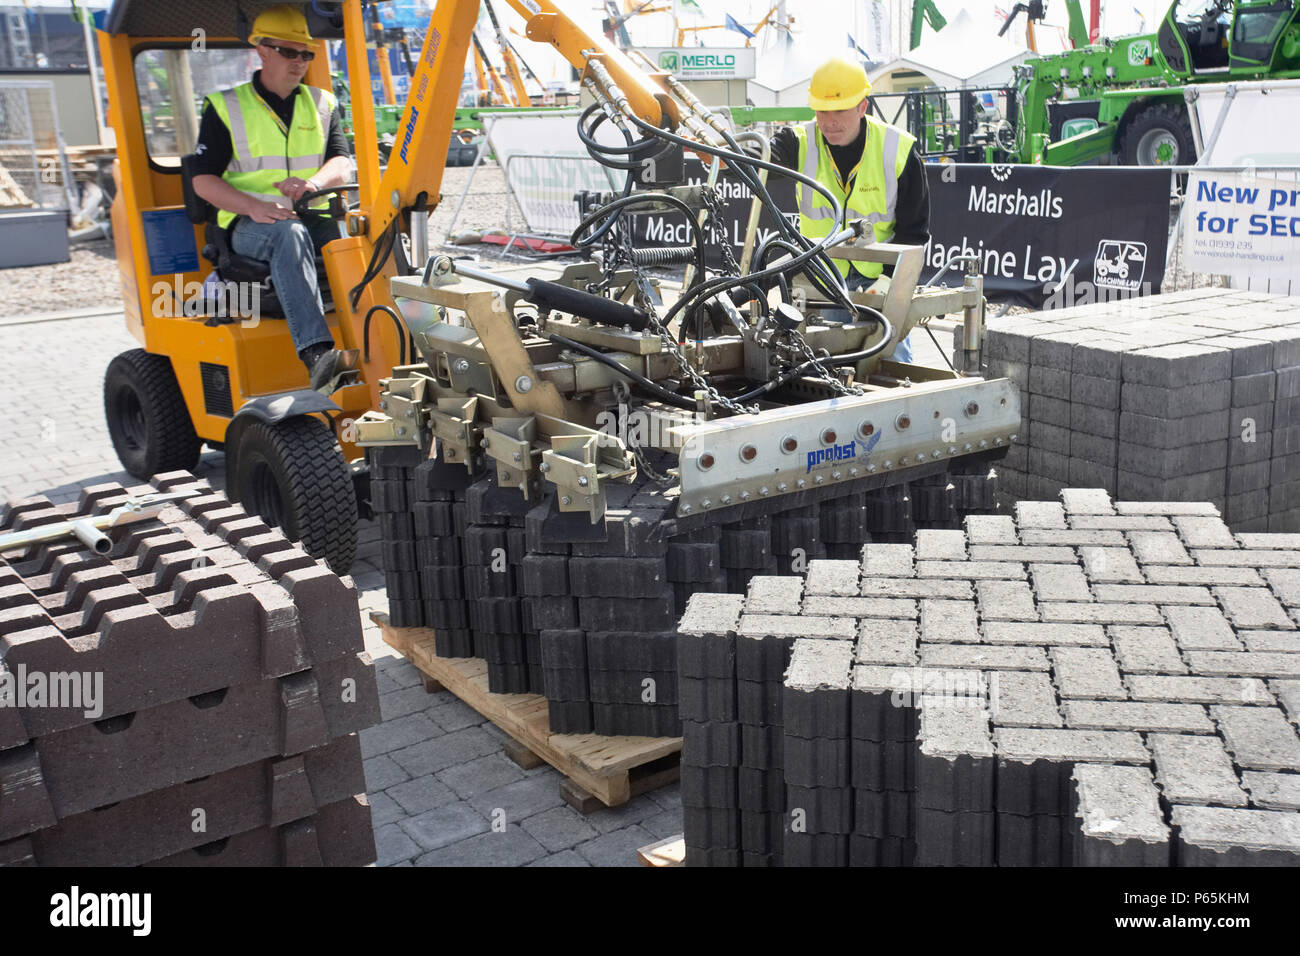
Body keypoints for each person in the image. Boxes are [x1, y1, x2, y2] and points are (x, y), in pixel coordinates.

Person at [190, 4, 354, 390]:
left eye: (306, 53)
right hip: (249, 225)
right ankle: (317, 355)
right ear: (261, 50)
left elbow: (341, 162)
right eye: (289, 52)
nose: (299, 61)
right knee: (288, 234)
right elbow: (203, 180)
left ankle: (385, 339)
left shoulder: (324, 103)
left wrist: (313, 184)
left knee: (370, 238)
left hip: (312, 215)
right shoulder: (225, 107)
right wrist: (254, 207)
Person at [768, 57, 931, 362]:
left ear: (862, 107)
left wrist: (888, 281)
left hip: (878, 282)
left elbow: (915, 232)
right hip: (823, 279)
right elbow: (762, 158)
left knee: (888, 363)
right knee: (817, 365)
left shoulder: (899, 150)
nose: (830, 122)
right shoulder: (800, 142)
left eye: (840, 110)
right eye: (822, 111)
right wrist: (725, 157)